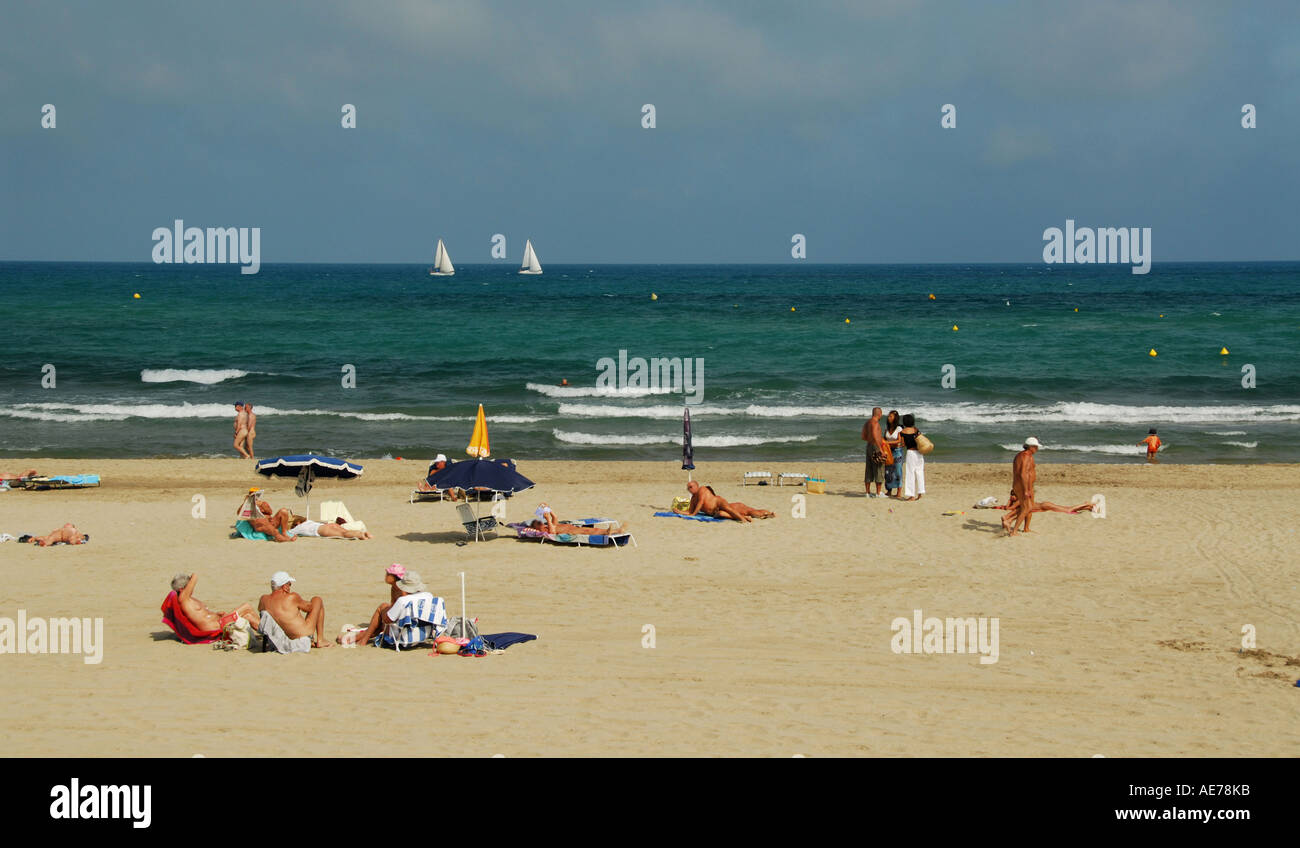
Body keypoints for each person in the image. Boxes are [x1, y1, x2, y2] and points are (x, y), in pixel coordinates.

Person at [341, 564, 424, 646]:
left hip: (401, 625)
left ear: (395, 577)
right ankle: (356, 638)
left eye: (388, 574)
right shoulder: (396, 589)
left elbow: (394, 613)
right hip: (402, 622)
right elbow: (393, 606)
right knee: (379, 621)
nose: (385, 576)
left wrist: (384, 615)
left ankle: (363, 640)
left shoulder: (403, 592)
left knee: (382, 608)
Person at [258, 571, 329, 648]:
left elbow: (260, 611)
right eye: (289, 584)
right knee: (317, 600)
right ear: (284, 587)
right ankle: (321, 640)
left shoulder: (263, 599)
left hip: (282, 638)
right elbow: (310, 608)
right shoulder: (292, 597)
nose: (290, 587)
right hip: (302, 636)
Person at [171, 573, 260, 633]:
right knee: (247, 606)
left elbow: (202, 615)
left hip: (218, 621)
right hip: (216, 626)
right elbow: (195, 576)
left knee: (247, 616)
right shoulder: (183, 599)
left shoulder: (188, 599)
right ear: (182, 589)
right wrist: (190, 579)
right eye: (188, 586)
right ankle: (268, 631)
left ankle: (267, 633)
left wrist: (216, 614)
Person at [681, 481, 774, 522]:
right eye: (688, 488)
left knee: (748, 511)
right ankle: (745, 517)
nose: (689, 489)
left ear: (697, 485)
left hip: (718, 502)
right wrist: (678, 511)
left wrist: (693, 514)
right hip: (716, 512)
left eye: (691, 487)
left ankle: (768, 513)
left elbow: (700, 502)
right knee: (722, 514)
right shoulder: (693, 499)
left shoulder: (702, 489)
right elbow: (689, 511)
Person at [1003, 437, 1040, 536]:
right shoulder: (1026, 456)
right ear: (1031, 447)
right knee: (1026, 508)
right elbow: (1023, 473)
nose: (1037, 449)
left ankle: (1026, 528)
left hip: (1020, 485)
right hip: (1023, 485)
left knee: (1028, 507)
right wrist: (1026, 489)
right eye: (1036, 447)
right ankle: (1012, 527)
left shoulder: (1019, 455)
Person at [529, 504, 627, 535]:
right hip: (571, 531)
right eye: (538, 522)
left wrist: (548, 508)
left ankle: (614, 531)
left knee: (590, 529)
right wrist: (548, 520)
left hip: (572, 528)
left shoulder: (547, 525)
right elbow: (552, 532)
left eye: (539, 521)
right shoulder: (543, 530)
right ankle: (613, 531)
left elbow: (555, 518)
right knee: (589, 530)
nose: (540, 522)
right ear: (536, 527)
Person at [899, 414, 926, 501]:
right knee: (920, 472)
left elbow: (902, 444)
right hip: (919, 452)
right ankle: (920, 493)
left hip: (910, 453)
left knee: (910, 473)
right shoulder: (916, 430)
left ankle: (911, 495)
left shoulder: (902, 432)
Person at [861, 407, 887, 497]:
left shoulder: (867, 423)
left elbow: (863, 436)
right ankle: (878, 493)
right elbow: (876, 435)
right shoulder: (875, 423)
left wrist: (870, 440)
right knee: (879, 468)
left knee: (869, 468)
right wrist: (880, 449)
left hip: (869, 446)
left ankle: (867, 493)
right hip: (876, 446)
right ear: (879, 414)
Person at [287, 515, 373, 540]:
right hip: (327, 525)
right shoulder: (308, 521)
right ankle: (364, 533)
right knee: (346, 531)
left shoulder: (298, 528)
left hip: (322, 530)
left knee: (343, 535)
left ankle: (361, 535)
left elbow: (288, 533)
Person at [883, 410, 904, 497]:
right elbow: (884, 438)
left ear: (895, 418)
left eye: (891, 416)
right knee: (888, 471)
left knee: (898, 471)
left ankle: (899, 491)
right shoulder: (887, 428)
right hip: (888, 451)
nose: (889, 418)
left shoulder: (899, 428)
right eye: (888, 416)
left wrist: (887, 443)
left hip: (897, 451)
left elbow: (899, 440)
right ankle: (889, 490)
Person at [24, 523, 89, 546]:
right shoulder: (74, 531)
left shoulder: (59, 530)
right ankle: (76, 541)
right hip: (70, 533)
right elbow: (83, 536)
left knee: (50, 538)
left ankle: (45, 543)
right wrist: (83, 537)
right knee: (72, 539)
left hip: (58, 532)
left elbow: (45, 537)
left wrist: (35, 538)